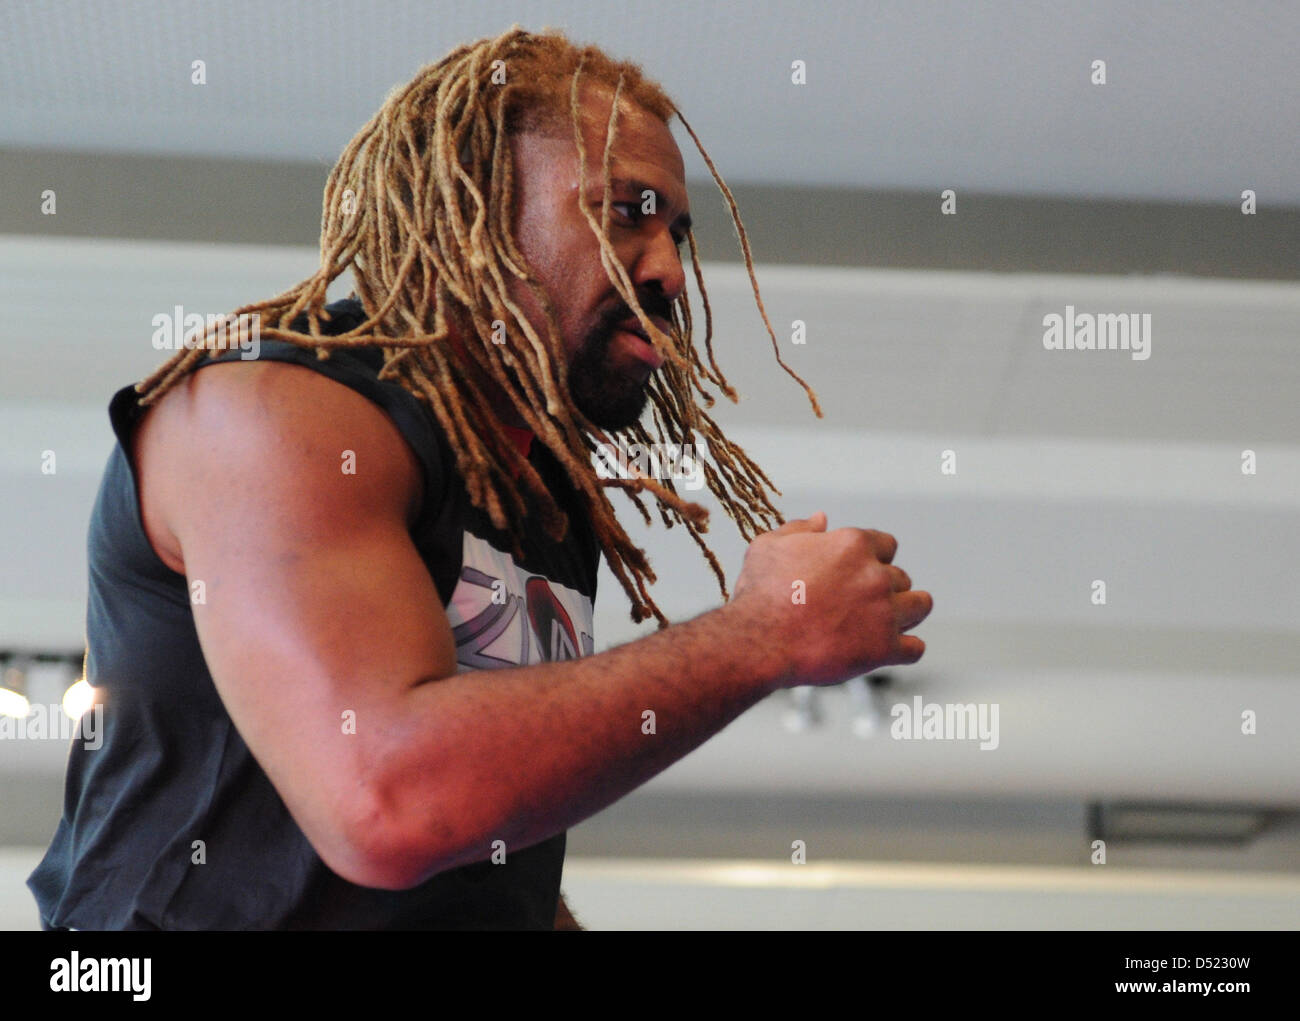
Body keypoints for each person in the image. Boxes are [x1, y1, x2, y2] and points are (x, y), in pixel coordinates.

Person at [29, 27, 932, 930]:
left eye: (676, 230)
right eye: (625, 212)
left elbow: (481, 845)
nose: (665, 269)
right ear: (482, 208)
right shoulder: (278, 408)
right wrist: (762, 634)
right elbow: (387, 804)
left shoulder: (536, 491)